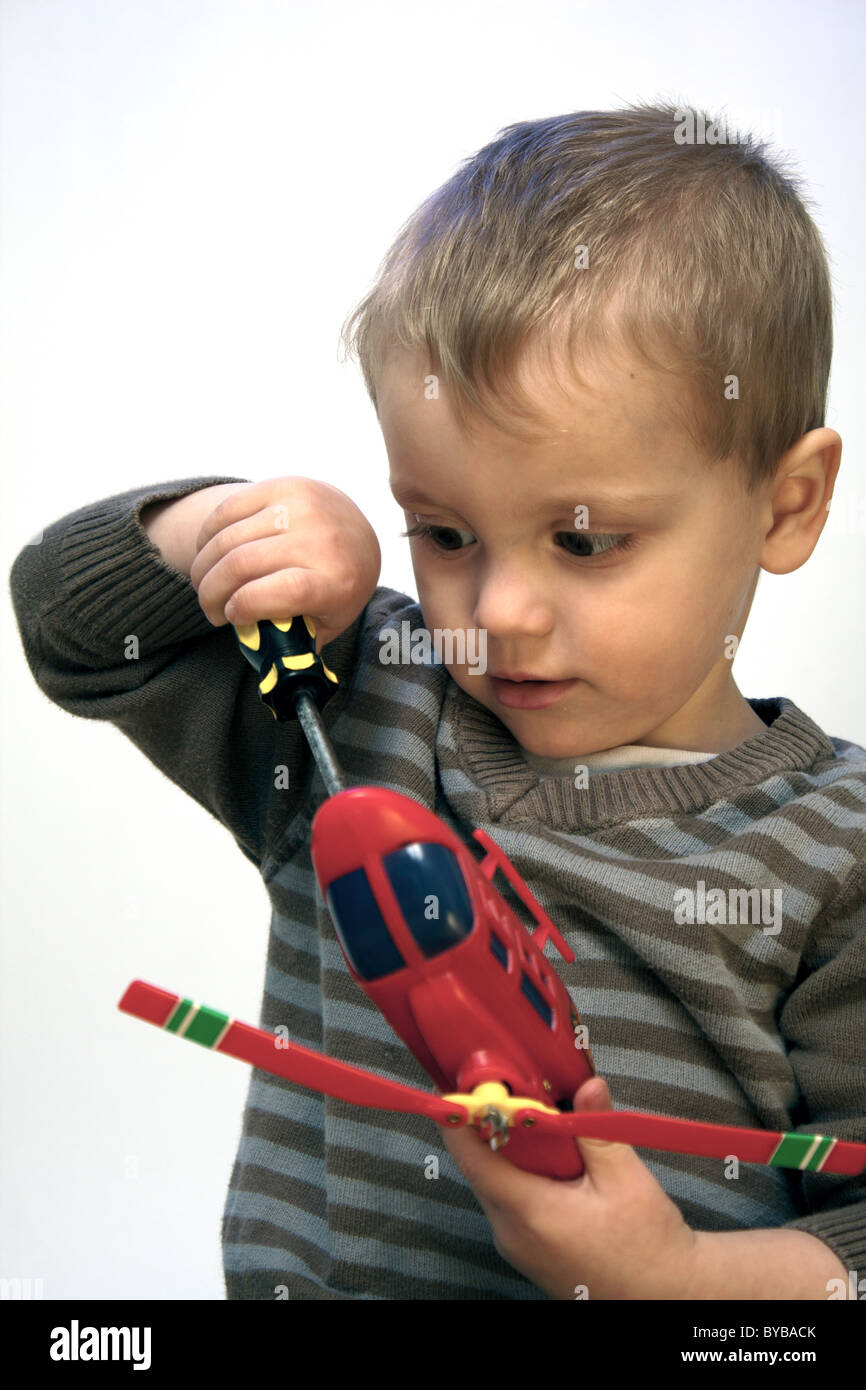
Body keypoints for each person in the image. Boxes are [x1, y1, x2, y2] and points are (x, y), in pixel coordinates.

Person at [10, 102, 865, 1300]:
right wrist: (223, 532)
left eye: (583, 540)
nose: (498, 607)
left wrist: (678, 1278)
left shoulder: (840, 849)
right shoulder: (364, 703)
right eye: (444, 530)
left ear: (785, 505)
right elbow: (70, 626)